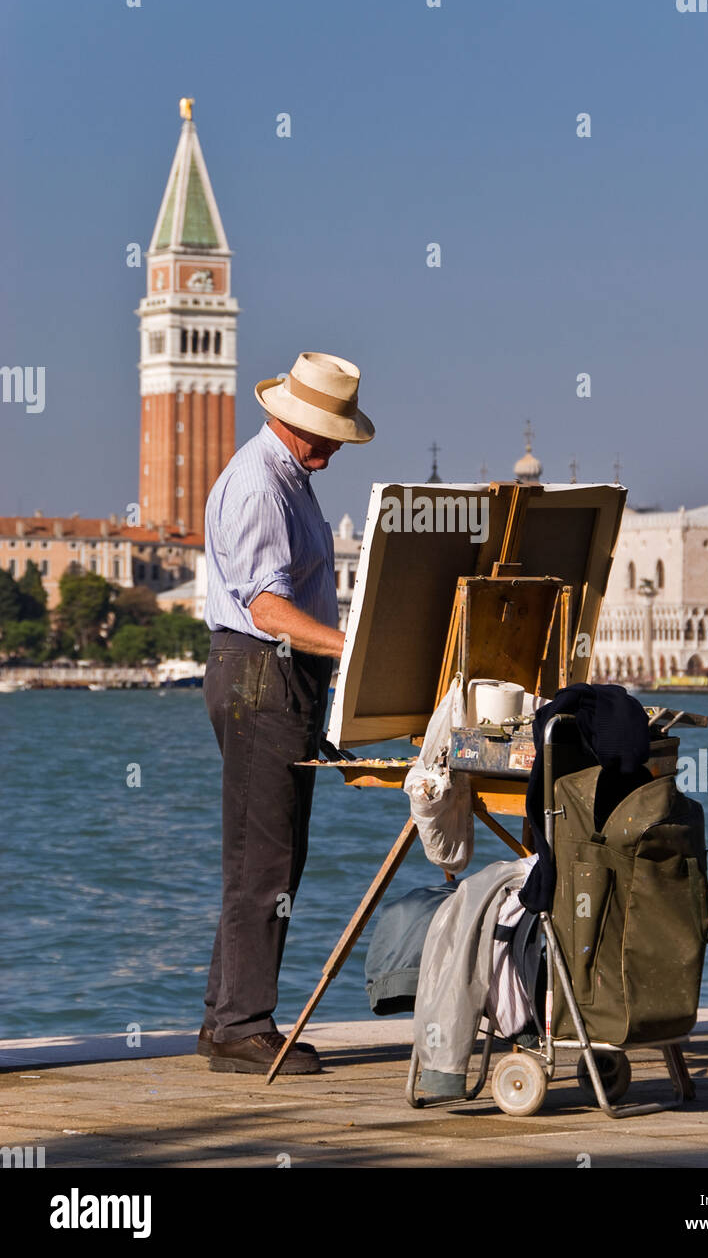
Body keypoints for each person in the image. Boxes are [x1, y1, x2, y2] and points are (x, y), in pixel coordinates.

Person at [198, 352, 375, 1074]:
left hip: (274, 680)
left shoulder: (286, 477)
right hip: (258, 677)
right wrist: (355, 647)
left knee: (267, 852)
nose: (336, 447)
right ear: (296, 423)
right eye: (329, 433)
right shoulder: (260, 485)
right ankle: (242, 1025)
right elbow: (267, 608)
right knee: (264, 855)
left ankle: (226, 1017)